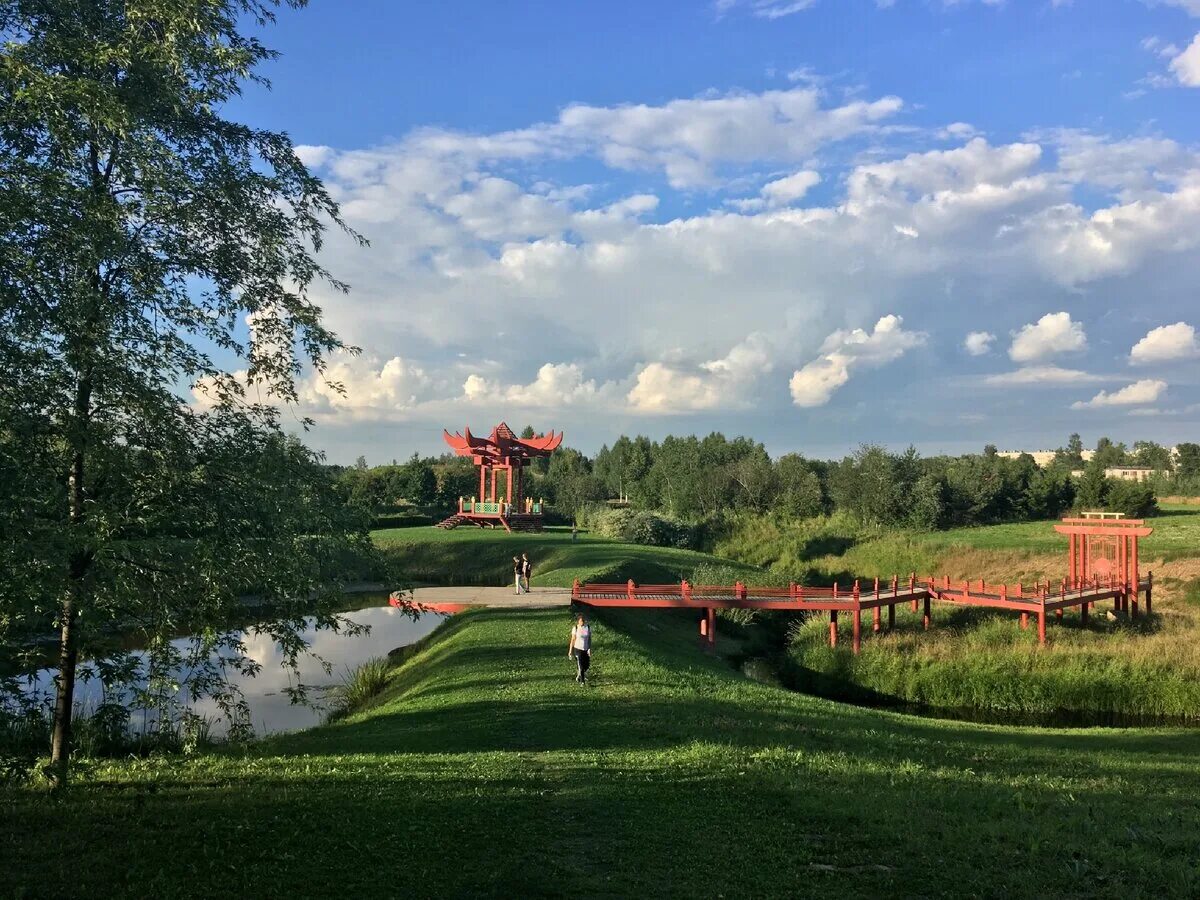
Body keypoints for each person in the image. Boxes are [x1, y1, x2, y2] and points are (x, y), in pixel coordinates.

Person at [567, 615, 591, 683]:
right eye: (580, 621)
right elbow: (573, 639)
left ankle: (579, 675)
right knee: (581, 666)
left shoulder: (587, 628)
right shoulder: (576, 628)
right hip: (577, 649)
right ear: (578, 621)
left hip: (585, 649)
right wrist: (570, 651)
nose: (582, 622)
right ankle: (582, 681)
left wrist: (589, 648)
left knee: (586, 665)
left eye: (583, 621)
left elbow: (589, 639)